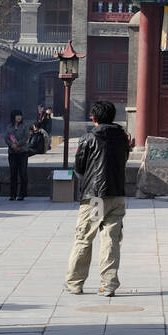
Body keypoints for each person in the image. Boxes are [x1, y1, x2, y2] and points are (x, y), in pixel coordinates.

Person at [66, 100, 132, 296]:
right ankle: (108, 284)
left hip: (95, 197)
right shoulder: (123, 137)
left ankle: (75, 283)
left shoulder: (87, 138)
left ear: (93, 118)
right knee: (111, 239)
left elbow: (79, 167)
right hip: (117, 194)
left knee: (84, 238)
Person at [4, 110, 33, 200]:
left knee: (23, 173)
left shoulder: (25, 126)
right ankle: (13, 194)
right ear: (13, 117)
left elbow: (26, 137)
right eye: (17, 116)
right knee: (13, 173)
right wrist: (12, 145)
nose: (19, 117)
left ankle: (22, 194)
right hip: (12, 153)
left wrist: (18, 145)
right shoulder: (9, 127)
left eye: (20, 115)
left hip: (22, 152)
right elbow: (7, 137)